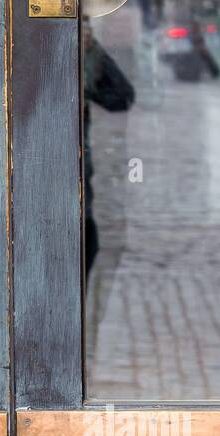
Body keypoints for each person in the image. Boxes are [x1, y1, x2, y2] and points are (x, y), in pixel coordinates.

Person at [83, 20, 136, 277]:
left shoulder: (85, 55)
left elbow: (122, 97)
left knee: (86, 239)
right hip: (29, 174)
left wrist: (91, 51)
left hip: (75, 174)